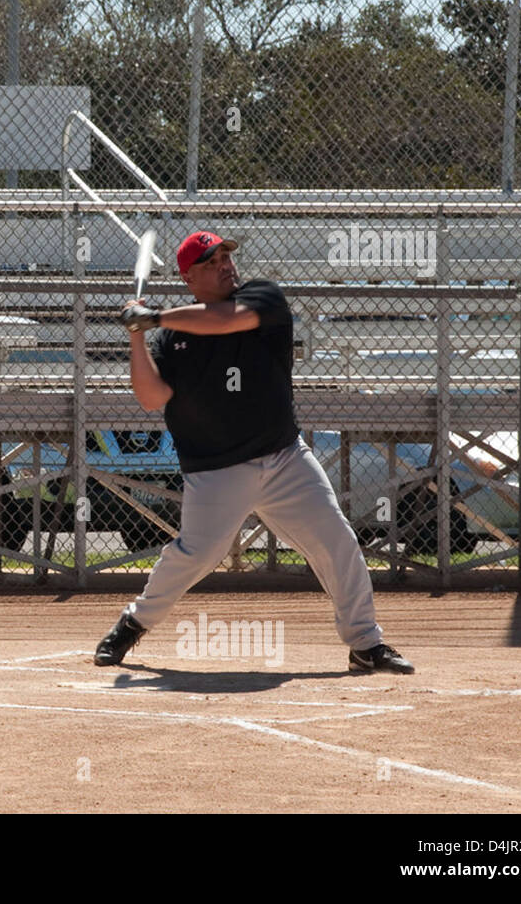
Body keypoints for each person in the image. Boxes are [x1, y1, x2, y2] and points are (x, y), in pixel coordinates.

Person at [93, 230, 415, 675]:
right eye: (211, 261)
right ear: (190, 278)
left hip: (283, 456)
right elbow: (150, 397)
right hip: (216, 469)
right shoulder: (169, 340)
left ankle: (366, 643)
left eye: (226, 255)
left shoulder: (264, 297)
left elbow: (224, 321)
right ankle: (132, 623)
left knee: (336, 541)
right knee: (197, 556)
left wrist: (156, 317)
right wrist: (136, 336)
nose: (225, 264)